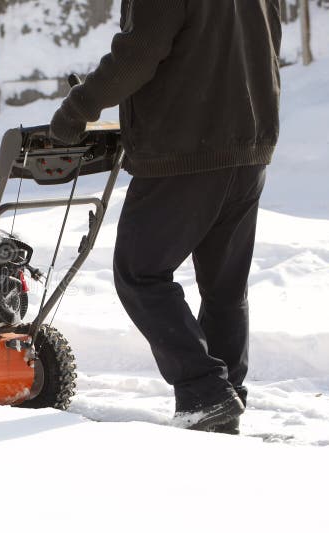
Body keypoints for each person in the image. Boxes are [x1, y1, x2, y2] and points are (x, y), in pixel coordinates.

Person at [49, 0, 282, 432]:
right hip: (249, 145)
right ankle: (222, 402)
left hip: (186, 150)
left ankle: (205, 392)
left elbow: (137, 54)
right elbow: (268, 44)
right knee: (224, 287)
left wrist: (76, 110)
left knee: (140, 272)